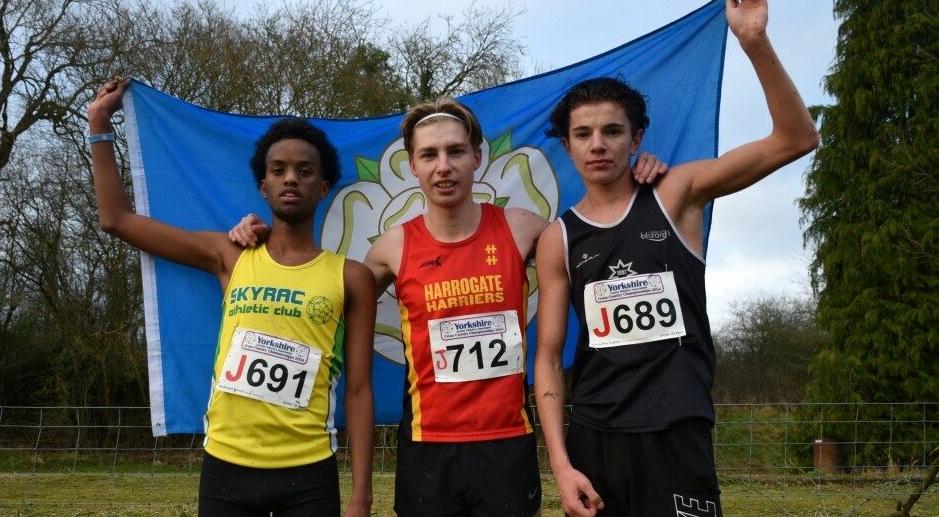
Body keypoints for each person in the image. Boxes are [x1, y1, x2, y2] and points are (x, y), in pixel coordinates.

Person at [230, 98, 667, 516]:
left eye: (455, 151)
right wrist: (267, 241)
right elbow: (319, 294)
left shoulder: (522, 228)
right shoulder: (392, 247)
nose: (444, 166)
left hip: (507, 443)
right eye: (430, 154)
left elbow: (600, 236)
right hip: (426, 447)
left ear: (477, 157)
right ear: (412, 164)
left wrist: (638, 177)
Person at [533, 0, 819, 517]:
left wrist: (754, 42)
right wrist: (561, 463)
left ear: (636, 138)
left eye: (612, 131)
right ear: (567, 144)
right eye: (584, 134)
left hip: (677, 428)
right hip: (596, 436)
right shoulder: (558, 237)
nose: (598, 144)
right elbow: (548, 357)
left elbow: (796, 139)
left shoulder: (677, 194)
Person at [87, 77, 377, 517]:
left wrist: (361, 494)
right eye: (278, 170)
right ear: (263, 186)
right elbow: (117, 220)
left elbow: (358, 390)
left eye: (305, 170)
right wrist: (99, 124)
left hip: (310, 472)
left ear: (323, 187)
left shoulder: (352, 277)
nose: (290, 178)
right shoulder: (229, 254)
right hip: (226, 467)